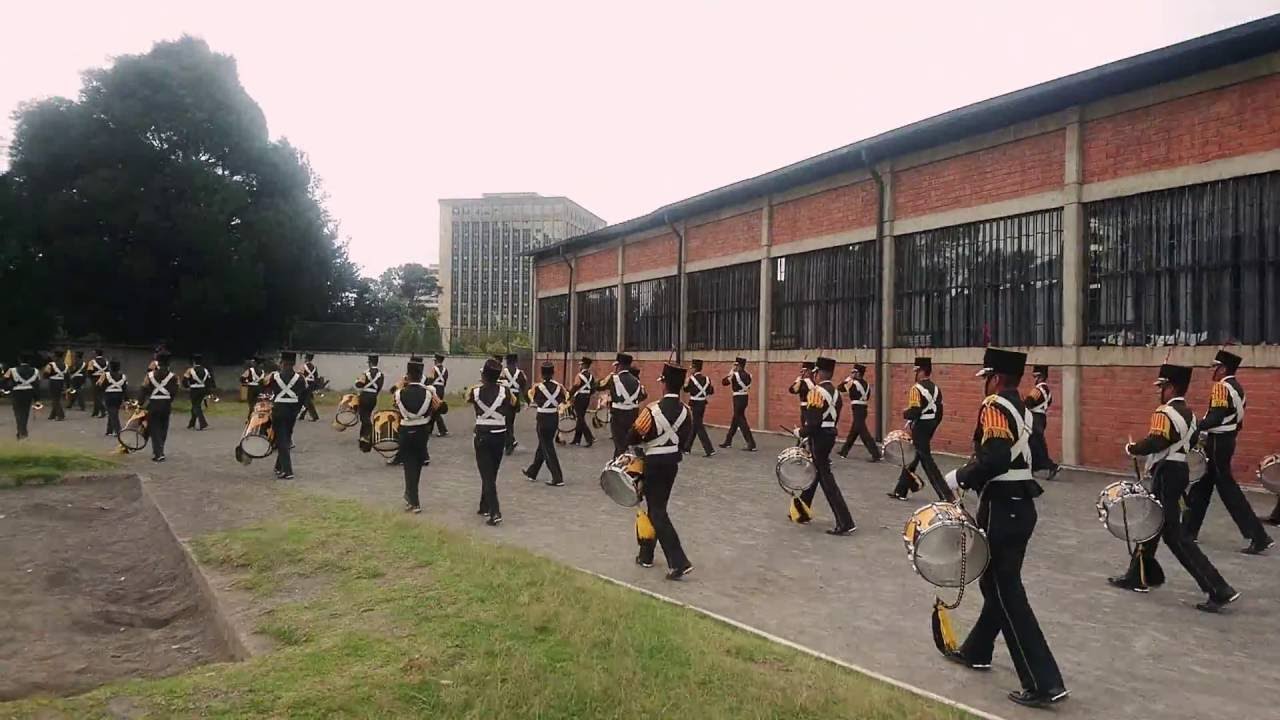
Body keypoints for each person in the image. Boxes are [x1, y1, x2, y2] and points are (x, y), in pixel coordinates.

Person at [942, 348, 1067, 709]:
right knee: (997, 583)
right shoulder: (1023, 409)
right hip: (1018, 505)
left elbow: (995, 457)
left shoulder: (996, 405)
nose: (986, 386)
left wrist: (960, 477)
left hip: (1003, 505)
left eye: (987, 379)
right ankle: (978, 650)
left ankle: (1043, 681)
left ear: (995, 378)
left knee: (1004, 588)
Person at [1107, 364, 1240, 613]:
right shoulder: (1189, 413)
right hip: (1178, 471)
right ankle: (1137, 575)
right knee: (1152, 524)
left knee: (1175, 536)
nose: (1160, 392)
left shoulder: (1165, 412)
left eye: (1162, 387)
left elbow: (1158, 440)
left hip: (1166, 472)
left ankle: (1218, 588)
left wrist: (1133, 448)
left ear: (1171, 387)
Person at [1183, 351, 1272, 553]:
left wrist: (1194, 425)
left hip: (1218, 442)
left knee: (1228, 490)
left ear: (1223, 368)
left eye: (1216, 367)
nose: (1214, 371)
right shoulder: (1237, 388)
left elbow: (1215, 417)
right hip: (1225, 440)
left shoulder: (1222, 388)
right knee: (1201, 486)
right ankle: (1188, 530)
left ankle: (1258, 536)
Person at [629, 362, 695, 579]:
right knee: (656, 508)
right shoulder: (687, 412)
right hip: (672, 465)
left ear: (664, 383)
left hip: (653, 464)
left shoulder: (652, 410)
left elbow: (634, 434)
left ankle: (679, 562)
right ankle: (646, 555)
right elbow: (686, 441)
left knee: (657, 512)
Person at [793, 357, 857, 535]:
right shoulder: (836, 392)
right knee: (815, 473)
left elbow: (813, 423)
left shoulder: (815, 392)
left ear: (818, 372)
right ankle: (801, 511)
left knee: (827, 481)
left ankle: (845, 521)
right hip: (829, 435)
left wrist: (800, 433)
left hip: (819, 437)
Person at [889, 357, 946, 500]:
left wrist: (905, 413)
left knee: (927, 461)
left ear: (921, 371)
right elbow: (939, 411)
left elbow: (915, 411)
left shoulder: (916, 388)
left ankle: (945, 494)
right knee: (913, 458)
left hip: (920, 426)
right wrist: (933, 424)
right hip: (931, 424)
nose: (915, 374)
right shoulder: (936, 389)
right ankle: (900, 490)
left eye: (916, 371)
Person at [469, 358, 517, 526]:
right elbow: (514, 406)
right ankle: (484, 505)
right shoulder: (506, 392)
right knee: (491, 472)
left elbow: (467, 398)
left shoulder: (474, 392)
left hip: (482, 434)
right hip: (499, 435)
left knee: (487, 474)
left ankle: (495, 511)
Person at [395, 357, 444, 512]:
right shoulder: (430, 392)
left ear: (407, 376)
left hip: (405, 431)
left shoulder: (399, 393)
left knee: (408, 465)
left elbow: (395, 406)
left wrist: (400, 384)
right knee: (417, 465)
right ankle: (411, 496)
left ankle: (413, 500)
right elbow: (442, 408)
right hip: (422, 432)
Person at [261, 351, 305, 479]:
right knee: (286, 436)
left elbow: (264, 386)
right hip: (292, 410)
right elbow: (303, 394)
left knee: (281, 439)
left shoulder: (274, 377)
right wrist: (297, 408)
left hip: (279, 409)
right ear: (293, 363)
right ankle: (279, 467)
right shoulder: (300, 378)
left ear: (282, 363)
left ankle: (288, 471)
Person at [523, 362, 567, 486]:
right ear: (553, 373)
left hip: (542, 418)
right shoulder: (559, 387)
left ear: (542, 374)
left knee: (547, 447)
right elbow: (564, 398)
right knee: (543, 445)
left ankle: (557, 477)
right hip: (554, 417)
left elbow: (531, 397)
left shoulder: (537, 388)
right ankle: (533, 471)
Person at [600, 353, 646, 458]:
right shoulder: (636, 381)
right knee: (629, 442)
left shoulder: (614, 379)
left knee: (620, 444)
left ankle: (620, 466)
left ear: (619, 365)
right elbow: (643, 396)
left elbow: (598, 386)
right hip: (633, 415)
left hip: (618, 416)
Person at [138, 353, 178, 462]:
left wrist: (140, 403)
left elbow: (143, 389)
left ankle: (158, 453)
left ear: (158, 362)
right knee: (163, 427)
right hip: (166, 404)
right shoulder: (173, 376)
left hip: (154, 403)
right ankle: (161, 449)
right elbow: (174, 392)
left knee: (154, 428)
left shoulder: (150, 375)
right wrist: (169, 400)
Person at [838, 362, 881, 461]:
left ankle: (875, 454)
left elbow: (840, 388)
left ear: (857, 373)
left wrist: (849, 378)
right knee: (854, 432)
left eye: (854, 372)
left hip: (857, 409)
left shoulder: (853, 383)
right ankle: (844, 451)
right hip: (863, 409)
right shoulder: (866, 384)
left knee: (864, 433)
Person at [1024, 365, 1061, 480]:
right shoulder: (1047, 391)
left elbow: (1028, 402)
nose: (1035, 379)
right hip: (1041, 417)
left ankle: (1050, 466)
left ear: (1042, 377)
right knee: (1033, 444)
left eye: (1036, 376)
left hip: (1035, 418)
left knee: (1036, 444)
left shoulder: (1038, 390)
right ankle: (1033, 467)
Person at [719, 357, 757, 451]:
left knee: (741, 421)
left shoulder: (735, 375)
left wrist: (731, 371)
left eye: (735, 365)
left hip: (737, 398)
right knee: (735, 420)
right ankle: (728, 441)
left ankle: (751, 443)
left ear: (738, 365)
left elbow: (724, 382)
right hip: (745, 397)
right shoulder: (748, 375)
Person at [681, 359, 716, 457]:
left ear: (695, 368)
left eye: (691, 367)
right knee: (695, 425)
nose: (690, 369)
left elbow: (686, 390)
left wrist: (686, 382)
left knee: (699, 426)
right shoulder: (707, 379)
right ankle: (687, 448)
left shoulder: (691, 379)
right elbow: (711, 391)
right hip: (703, 403)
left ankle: (709, 449)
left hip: (695, 404)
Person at [3, 353, 40, 440]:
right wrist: (37, 399)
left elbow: (4, 380)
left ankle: (21, 432)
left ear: (19, 360)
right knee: (25, 412)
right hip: (29, 392)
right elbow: (37, 385)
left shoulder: (12, 370)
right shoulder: (35, 371)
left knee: (18, 412)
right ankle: (23, 431)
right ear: (29, 361)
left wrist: (7, 389)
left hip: (17, 392)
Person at [500, 353, 528, 455]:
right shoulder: (520, 373)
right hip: (515, 399)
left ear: (507, 361)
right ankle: (510, 440)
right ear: (516, 362)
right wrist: (528, 401)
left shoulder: (503, 372)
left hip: (505, 398)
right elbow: (524, 389)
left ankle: (509, 443)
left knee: (506, 422)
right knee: (510, 421)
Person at [354, 354, 385, 447]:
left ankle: (369, 433)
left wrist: (356, 381)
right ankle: (363, 436)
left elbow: (359, 385)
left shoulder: (366, 373)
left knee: (364, 417)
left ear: (370, 362)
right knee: (367, 415)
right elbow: (379, 387)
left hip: (365, 396)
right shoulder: (381, 374)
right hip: (373, 397)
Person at [569, 356, 596, 447]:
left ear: (584, 365)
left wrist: (568, 395)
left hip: (579, 398)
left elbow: (575, 387)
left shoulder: (579, 376)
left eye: (581, 365)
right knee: (580, 418)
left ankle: (589, 438)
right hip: (587, 398)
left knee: (580, 418)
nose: (579, 366)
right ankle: (577, 439)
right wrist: (588, 394)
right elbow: (593, 389)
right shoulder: (591, 377)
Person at [183, 354, 214, 431]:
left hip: (194, 390)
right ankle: (191, 423)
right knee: (196, 405)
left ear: (193, 361)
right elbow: (209, 381)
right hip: (203, 389)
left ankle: (203, 423)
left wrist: (187, 386)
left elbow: (185, 380)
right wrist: (208, 391)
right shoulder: (205, 370)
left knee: (195, 406)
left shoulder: (190, 370)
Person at [100, 359, 128, 437]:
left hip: (109, 395)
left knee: (112, 413)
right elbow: (125, 388)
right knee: (113, 412)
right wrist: (126, 399)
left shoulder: (106, 375)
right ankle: (109, 430)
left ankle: (118, 430)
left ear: (110, 366)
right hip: (119, 396)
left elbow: (102, 386)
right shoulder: (123, 376)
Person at [425, 353, 450, 437]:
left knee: (435, 409)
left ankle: (443, 430)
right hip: (441, 389)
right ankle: (429, 429)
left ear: (436, 360)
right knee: (433, 408)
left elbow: (430, 380)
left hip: (435, 389)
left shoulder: (433, 369)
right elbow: (445, 381)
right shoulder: (445, 370)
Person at [788, 361, 816, 427]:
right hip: (804, 408)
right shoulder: (801, 381)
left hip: (812, 407)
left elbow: (813, 390)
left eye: (805, 371)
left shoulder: (814, 381)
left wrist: (806, 381)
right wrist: (798, 381)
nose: (803, 373)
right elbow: (792, 390)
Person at [42, 351, 67, 421]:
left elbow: (46, 374)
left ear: (55, 356)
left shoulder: (51, 364)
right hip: (61, 381)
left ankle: (60, 415)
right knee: (57, 398)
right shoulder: (65, 365)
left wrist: (46, 376)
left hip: (53, 382)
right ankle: (52, 415)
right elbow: (67, 375)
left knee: (54, 399)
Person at [299, 352, 321, 422]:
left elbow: (300, 376)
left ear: (306, 358)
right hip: (312, 384)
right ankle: (302, 415)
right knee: (305, 400)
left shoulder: (303, 366)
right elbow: (316, 377)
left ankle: (314, 416)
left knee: (307, 401)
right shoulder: (314, 367)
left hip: (305, 384)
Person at [88, 349, 109, 418]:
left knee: (96, 396)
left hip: (95, 379)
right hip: (104, 379)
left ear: (96, 354)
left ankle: (103, 411)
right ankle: (95, 411)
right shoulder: (106, 362)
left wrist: (91, 378)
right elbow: (108, 371)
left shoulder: (92, 362)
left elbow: (89, 371)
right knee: (101, 395)